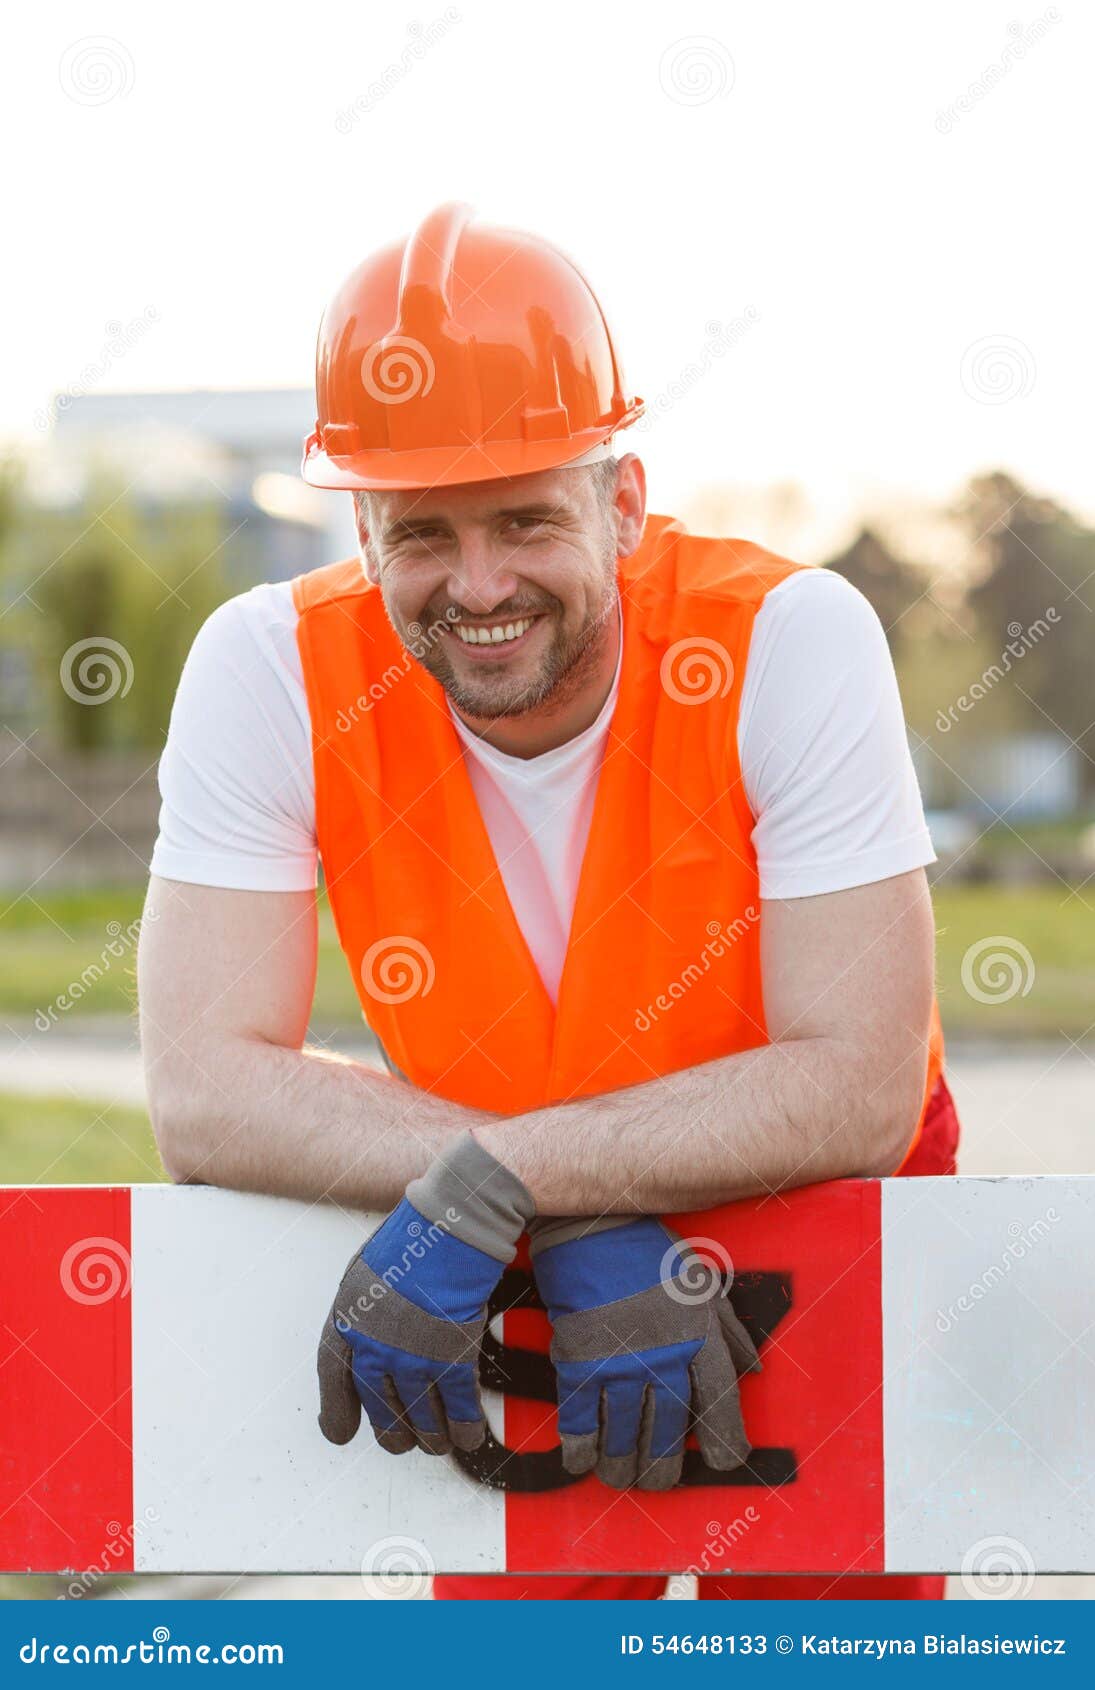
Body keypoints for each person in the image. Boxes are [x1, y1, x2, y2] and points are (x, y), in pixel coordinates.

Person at [138, 201, 959, 1602]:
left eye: (526, 518)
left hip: (811, 1218)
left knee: (832, 1654)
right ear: (360, 524)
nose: (480, 585)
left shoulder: (789, 638)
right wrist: (550, 1207)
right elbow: (206, 1091)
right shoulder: (268, 669)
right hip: (491, 1254)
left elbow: (861, 1085)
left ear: (623, 502)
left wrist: (498, 1177)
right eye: (421, 532)